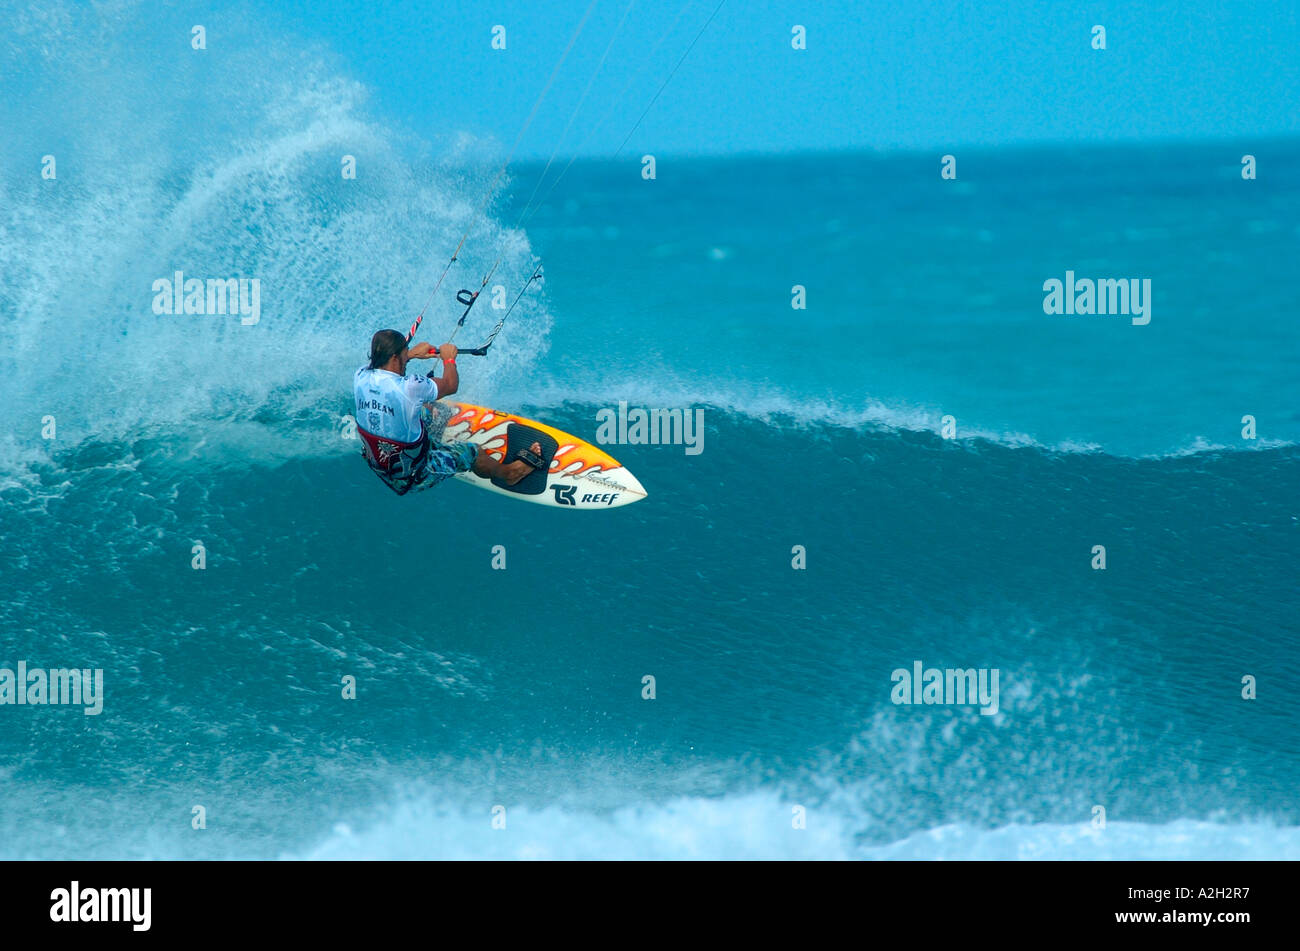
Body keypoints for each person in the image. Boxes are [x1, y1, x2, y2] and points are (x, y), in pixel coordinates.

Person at [353, 329, 542, 495]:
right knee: (473, 452)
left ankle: (430, 440)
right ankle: (509, 474)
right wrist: (449, 358)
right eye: (404, 355)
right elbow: (451, 385)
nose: (406, 359)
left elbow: (390, 372)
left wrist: (410, 354)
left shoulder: (360, 375)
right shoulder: (411, 387)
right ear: (395, 357)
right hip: (412, 476)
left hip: (379, 465)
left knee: (433, 409)